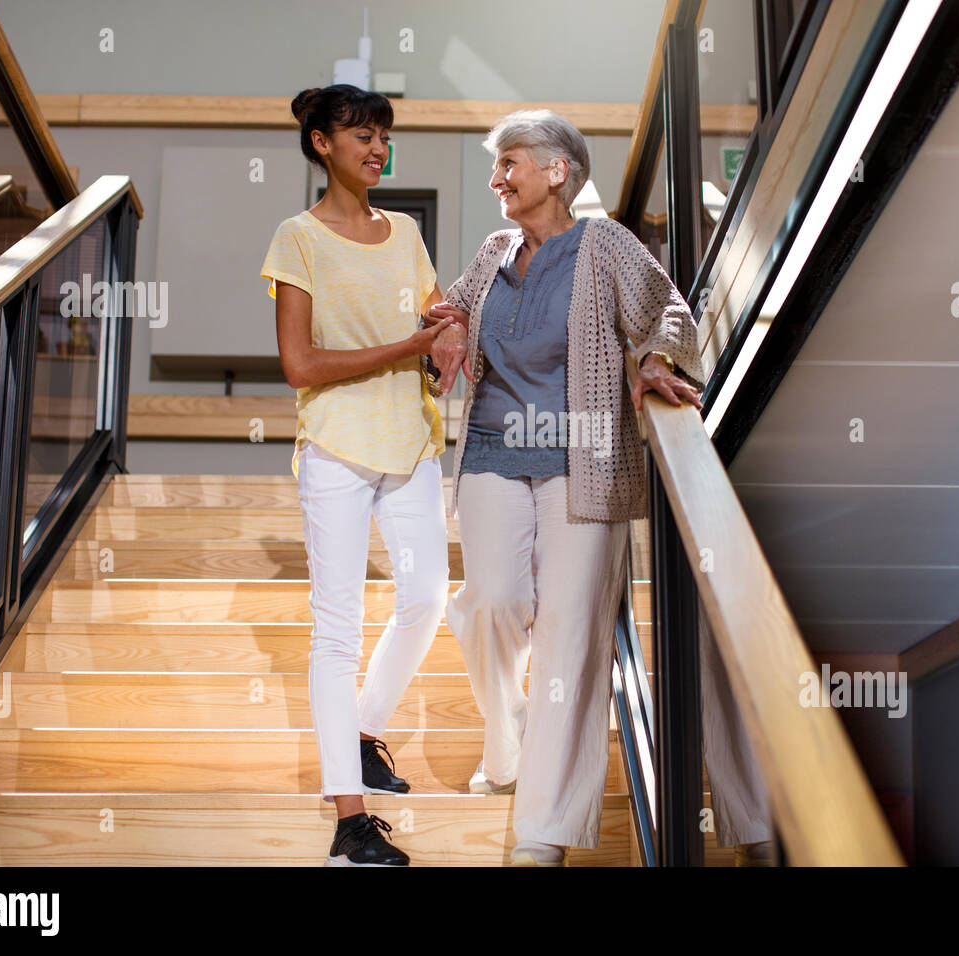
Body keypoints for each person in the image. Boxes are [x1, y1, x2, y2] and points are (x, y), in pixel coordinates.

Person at [429, 109, 711, 866]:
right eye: (496, 167)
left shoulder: (607, 243)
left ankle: (543, 831)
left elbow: (670, 315)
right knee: (490, 602)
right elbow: (449, 305)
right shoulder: (494, 250)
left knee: (571, 631)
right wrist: (449, 321)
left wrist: (655, 361)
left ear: (557, 170)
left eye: (509, 162)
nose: (497, 178)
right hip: (491, 449)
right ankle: (505, 735)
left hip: (584, 461)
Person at [260, 84, 458, 866]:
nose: (377, 148)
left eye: (384, 136)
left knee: (424, 598)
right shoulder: (297, 237)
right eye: (361, 135)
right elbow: (299, 364)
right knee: (336, 631)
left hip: (409, 443)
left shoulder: (405, 232)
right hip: (337, 450)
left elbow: (437, 319)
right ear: (321, 143)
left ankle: (365, 729)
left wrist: (445, 336)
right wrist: (409, 346)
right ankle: (349, 822)